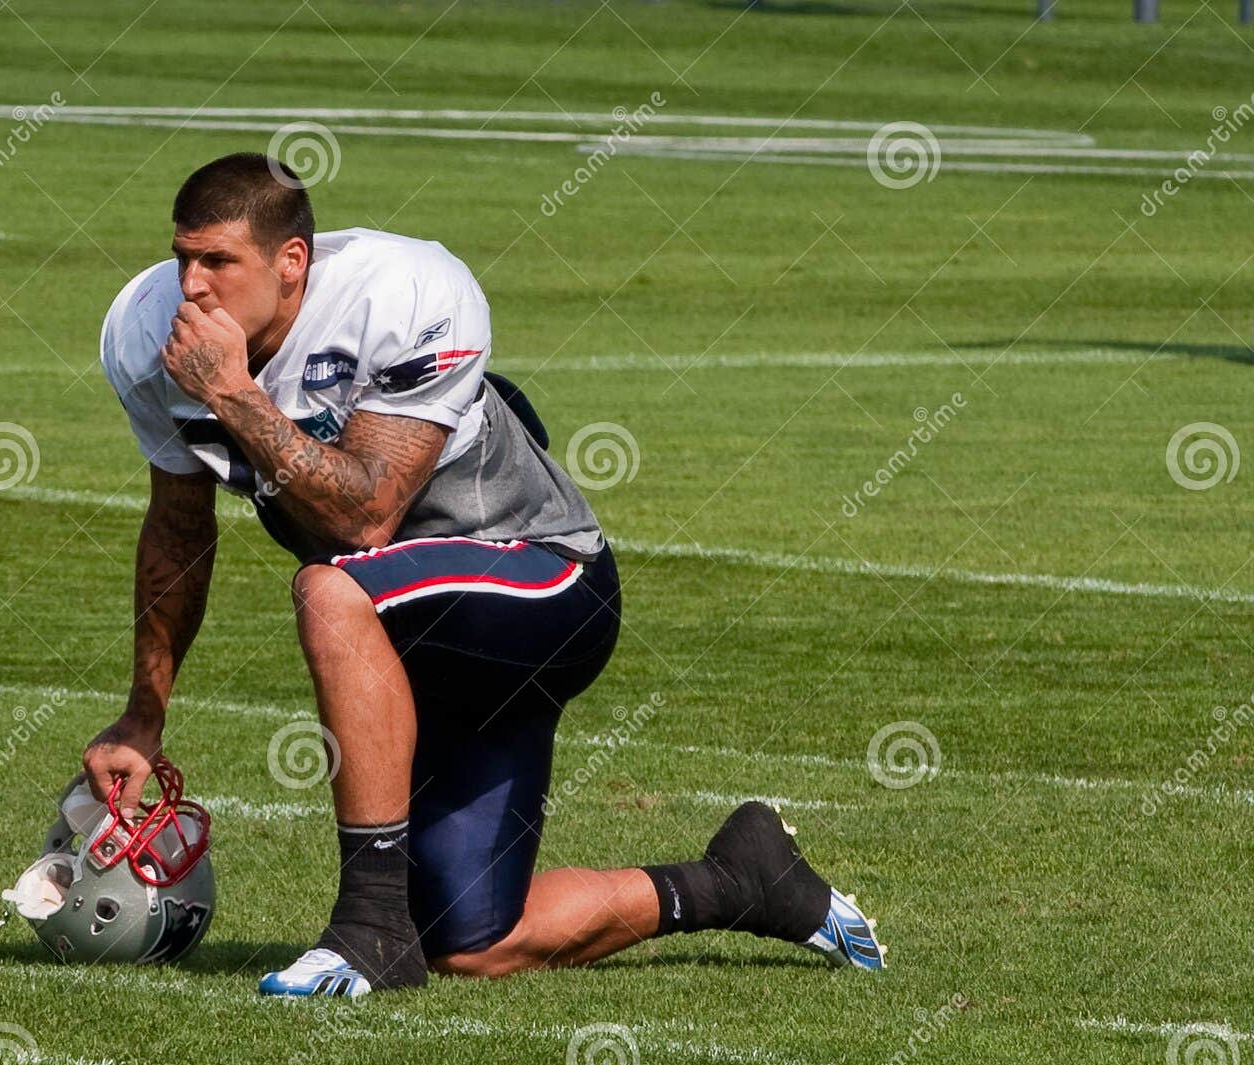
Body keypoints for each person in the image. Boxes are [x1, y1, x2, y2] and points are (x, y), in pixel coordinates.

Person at [85, 152, 885, 997]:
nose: (193, 286)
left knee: (332, 587)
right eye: (183, 257)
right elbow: (178, 529)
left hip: (541, 581)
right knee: (471, 940)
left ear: (292, 262)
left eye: (218, 261)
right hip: (415, 637)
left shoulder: (402, 291)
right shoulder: (145, 332)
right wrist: (144, 714)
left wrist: (235, 395)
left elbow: (365, 519)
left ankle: (369, 928)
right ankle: (740, 879)